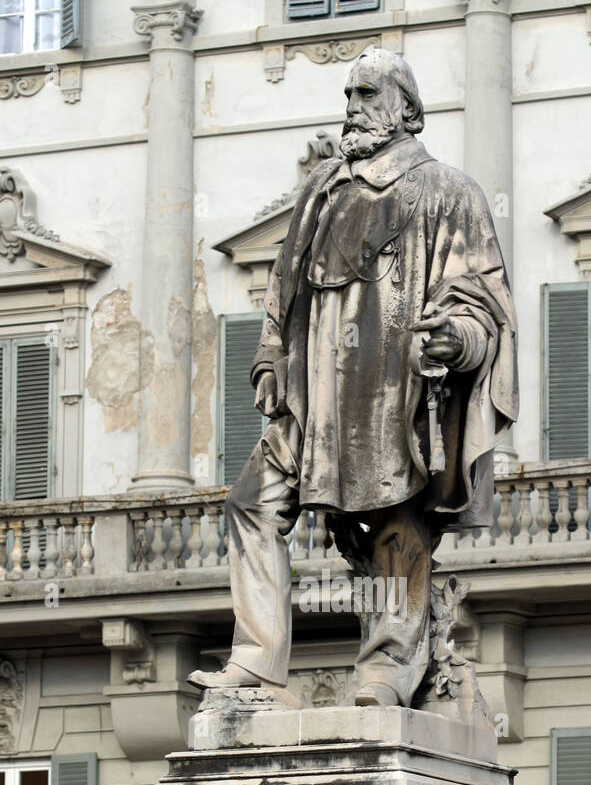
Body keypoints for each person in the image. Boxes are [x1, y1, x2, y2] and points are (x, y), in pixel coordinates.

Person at [190, 47, 518, 708]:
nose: (353, 108)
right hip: (312, 397)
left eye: (367, 93)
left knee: (398, 518)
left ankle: (387, 668)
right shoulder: (321, 190)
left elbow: (482, 302)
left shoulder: (448, 193)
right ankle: (256, 661)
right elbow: (282, 288)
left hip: (390, 389)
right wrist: (269, 355)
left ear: (407, 107)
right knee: (251, 505)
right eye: (348, 95)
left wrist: (458, 340)